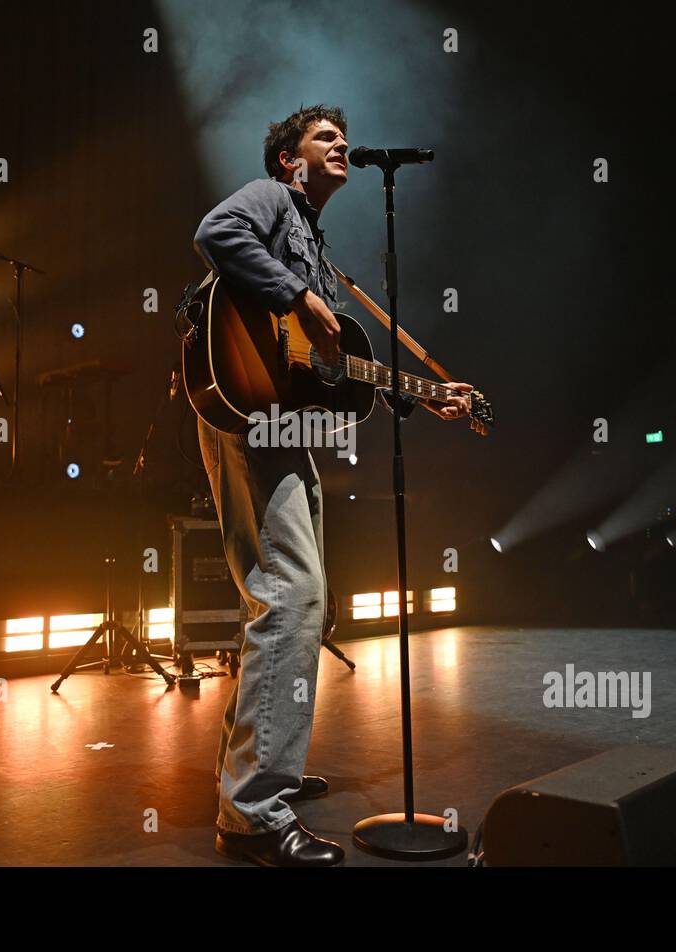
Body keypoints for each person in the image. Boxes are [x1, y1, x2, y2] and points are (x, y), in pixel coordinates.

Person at [191, 105, 473, 866]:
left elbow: (335, 371)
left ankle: (250, 772)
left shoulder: (314, 238)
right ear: (289, 159)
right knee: (292, 598)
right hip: (250, 414)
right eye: (324, 138)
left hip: (287, 428)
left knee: (296, 603)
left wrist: (422, 392)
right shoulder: (270, 199)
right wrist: (296, 295)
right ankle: (253, 811)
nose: (342, 145)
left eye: (342, 138)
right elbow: (217, 233)